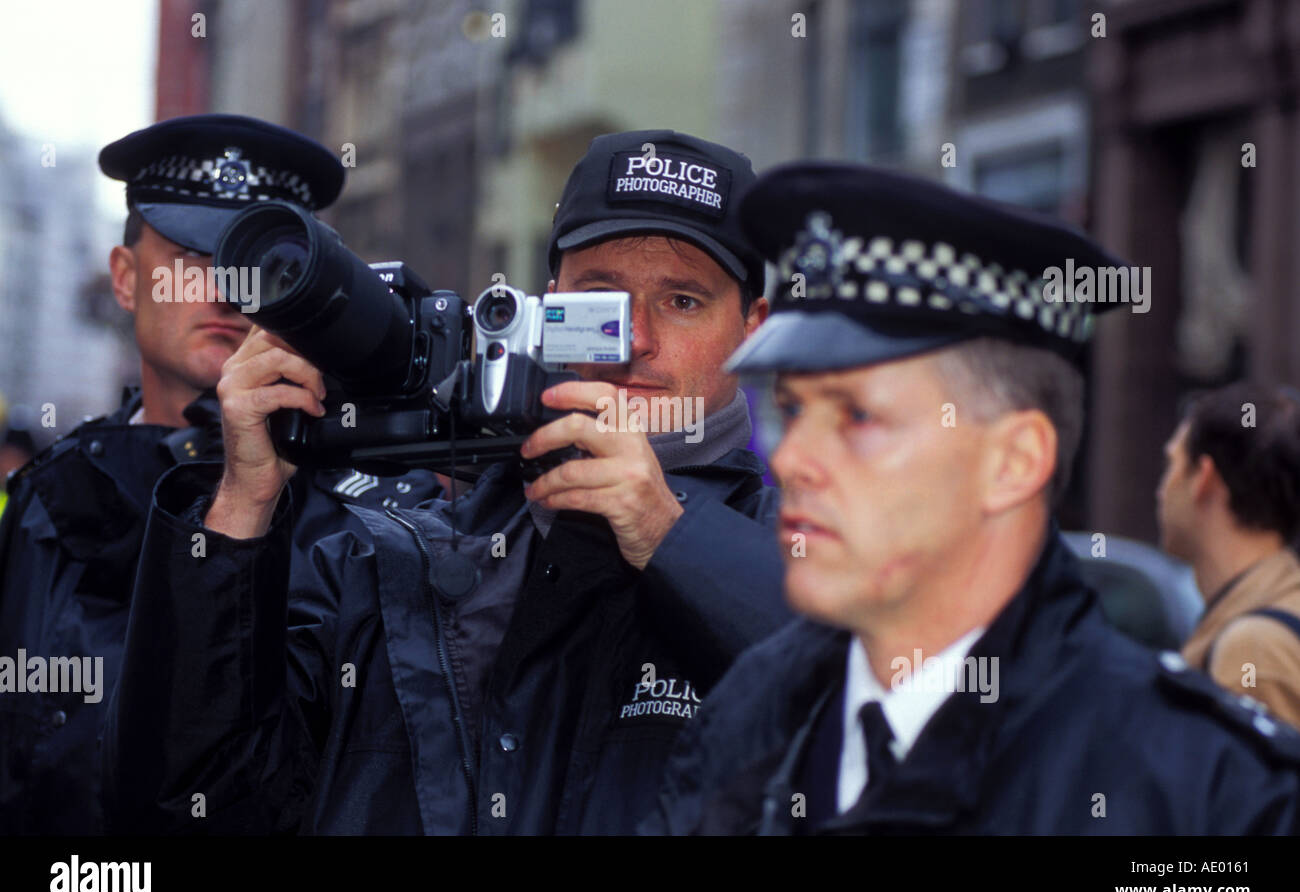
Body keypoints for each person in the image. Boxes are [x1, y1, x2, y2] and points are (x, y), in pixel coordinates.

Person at [103, 129, 793, 835]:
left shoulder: (819, 552)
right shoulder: (390, 559)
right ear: (546, 307)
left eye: (682, 301)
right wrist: (239, 510)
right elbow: (186, 809)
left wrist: (669, 537)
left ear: (753, 330)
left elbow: (872, 727)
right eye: (600, 299)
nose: (636, 338)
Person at [643, 162, 1300, 836]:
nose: (792, 457)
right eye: (793, 408)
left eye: (857, 417)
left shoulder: (1207, 792)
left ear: (1015, 462)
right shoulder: (751, 718)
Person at [0, 114, 437, 835]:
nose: (230, 288)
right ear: (124, 277)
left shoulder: (375, 512)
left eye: (260, 256)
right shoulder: (48, 498)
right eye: (191, 257)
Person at [1159, 382, 1300, 727]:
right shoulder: (1268, 611)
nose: (1161, 491)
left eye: (1173, 463)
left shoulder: (1252, 650)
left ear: (1203, 478)